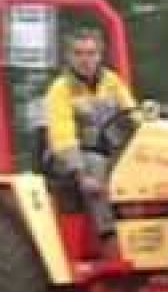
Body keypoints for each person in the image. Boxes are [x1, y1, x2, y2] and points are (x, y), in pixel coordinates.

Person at [43, 27, 141, 258]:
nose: (86, 59)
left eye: (91, 53)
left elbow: (133, 117)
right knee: (96, 165)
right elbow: (63, 136)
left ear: (100, 55)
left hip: (109, 150)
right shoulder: (61, 90)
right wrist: (81, 175)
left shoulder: (113, 82)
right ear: (69, 57)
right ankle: (109, 238)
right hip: (68, 158)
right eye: (79, 53)